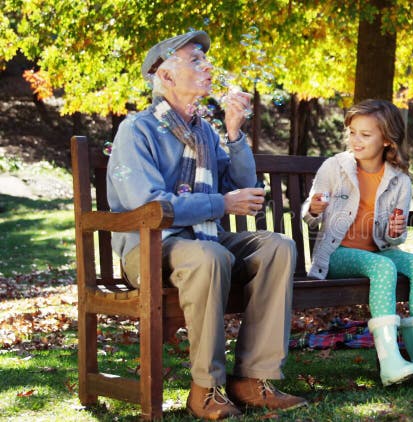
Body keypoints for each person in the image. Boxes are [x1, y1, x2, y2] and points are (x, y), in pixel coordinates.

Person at [107, 31, 306, 419]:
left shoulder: (204, 132)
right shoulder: (138, 130)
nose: (208, 66)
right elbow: (151, 207)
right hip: (149, 246)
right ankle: (206, 388)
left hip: (204, 240)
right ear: (165, 77)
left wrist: (233, 132)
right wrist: (220, 202)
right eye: (195, 61)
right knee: (210, 256)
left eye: (205, 59)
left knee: (278, 246)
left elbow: (242, 185)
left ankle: (253, 378)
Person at [302, 99, 413, 386]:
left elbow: (395, 237)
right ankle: (390, 359)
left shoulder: (399, 181)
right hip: (338, 254)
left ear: (387, 141)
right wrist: (314, 209)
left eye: (365, 135)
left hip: (379, 251)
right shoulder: (335, 167)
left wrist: (395, 231)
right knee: (383, 268)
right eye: (353, 132)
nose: (356, 140)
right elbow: (310, 214)